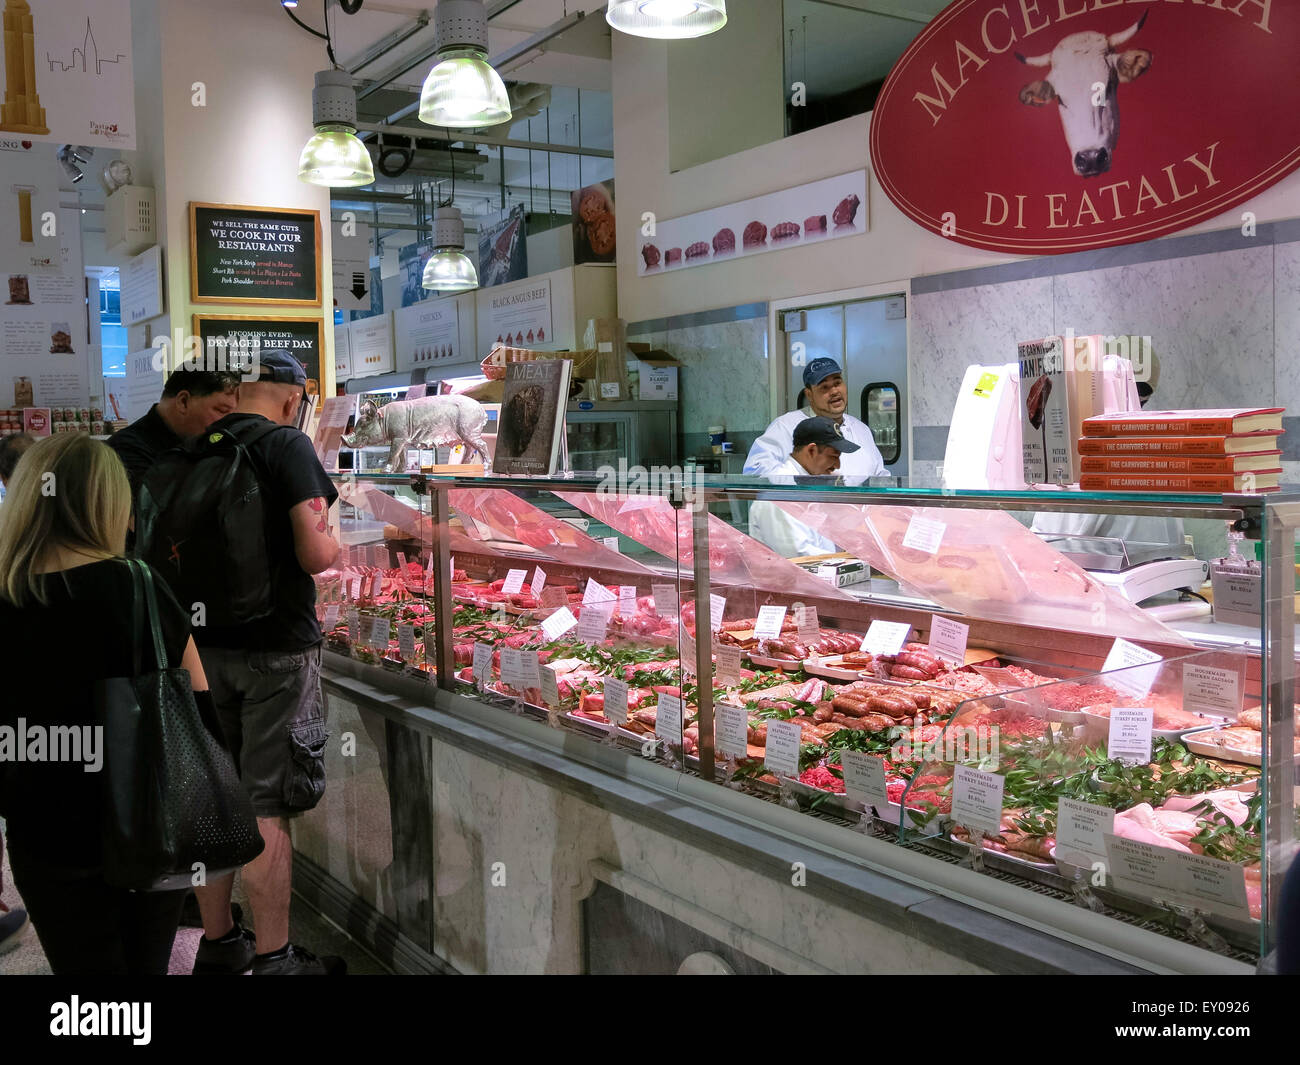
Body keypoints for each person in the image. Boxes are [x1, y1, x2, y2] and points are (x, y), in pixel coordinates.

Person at [0, 434, 210, 973]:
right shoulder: (141, 586)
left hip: (44, 832)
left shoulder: (7, 593)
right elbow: (201, 711)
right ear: (109, 501)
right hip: (149, 824)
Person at [182, 350, 344, 976]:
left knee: (216, 800)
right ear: (291, 394)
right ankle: (275, 959)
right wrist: (338, 540)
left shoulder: (196, 441)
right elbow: (313, 554)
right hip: (276, 650)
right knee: (266, 805)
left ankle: (220, 944)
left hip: (201, 651)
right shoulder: (287, 447)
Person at [106, 368, 239, 499]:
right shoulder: (125, 450)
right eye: (222, 411)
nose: (230, 422)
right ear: (183, 402)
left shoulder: (204, 444)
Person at [744, 357, 887, 478]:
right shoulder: (785, 426)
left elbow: (880, 476)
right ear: (809, 394)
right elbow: (754, 472)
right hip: (809, 509)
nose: (834, 391)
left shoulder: (861, 430)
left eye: (837, 383)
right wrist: (805, 481)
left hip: (858, 510)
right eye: (824, 387)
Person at [748, 416, 860, 558]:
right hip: (788, 578)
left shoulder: (809, 483)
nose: (837, 465)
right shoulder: (781, 490)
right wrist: (848, 559)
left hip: (819, 573)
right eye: (833, 456)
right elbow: (797, 554)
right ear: (812, 450)